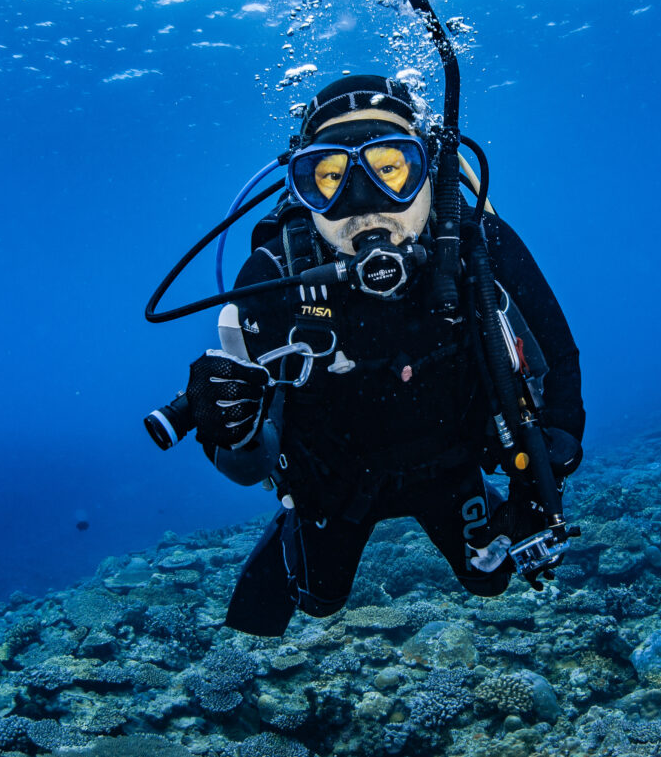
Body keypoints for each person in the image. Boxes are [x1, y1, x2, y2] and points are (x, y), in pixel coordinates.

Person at [154, 73, 585, 636]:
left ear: (428, 169)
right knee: (318, 602)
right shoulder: (273, 276)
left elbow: (559, 358)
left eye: (390, 168)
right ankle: (294, 536)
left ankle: (477, 503)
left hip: (448, 464)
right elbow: (250, 466)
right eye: (331, 177)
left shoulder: (481, 244)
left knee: (493, 580)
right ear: (303, 190)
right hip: (334, 480)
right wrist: (231, 433)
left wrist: (544, 471)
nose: (362, 204)